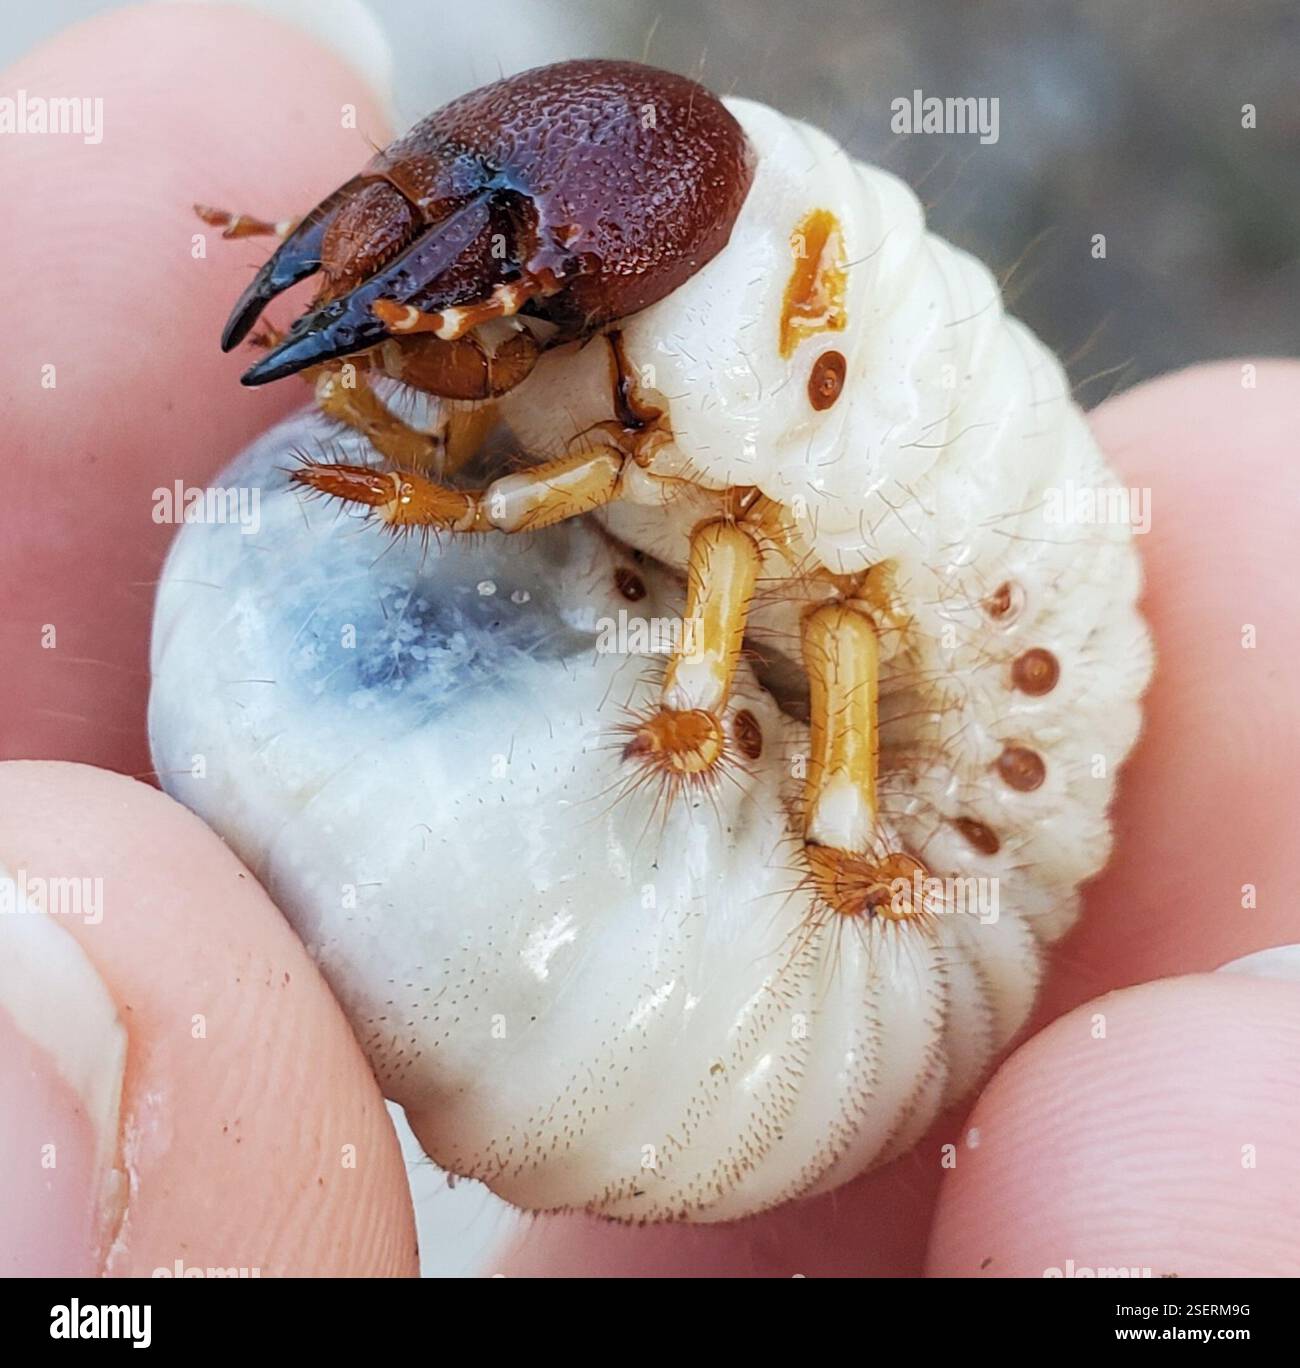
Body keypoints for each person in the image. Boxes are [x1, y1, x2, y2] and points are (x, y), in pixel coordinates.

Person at [1, 4, 1297, 1278]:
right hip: (696, 928)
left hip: (828, 981)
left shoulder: (745, 465)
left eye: (511, 304)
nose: (445, 343)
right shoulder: (719, 451)